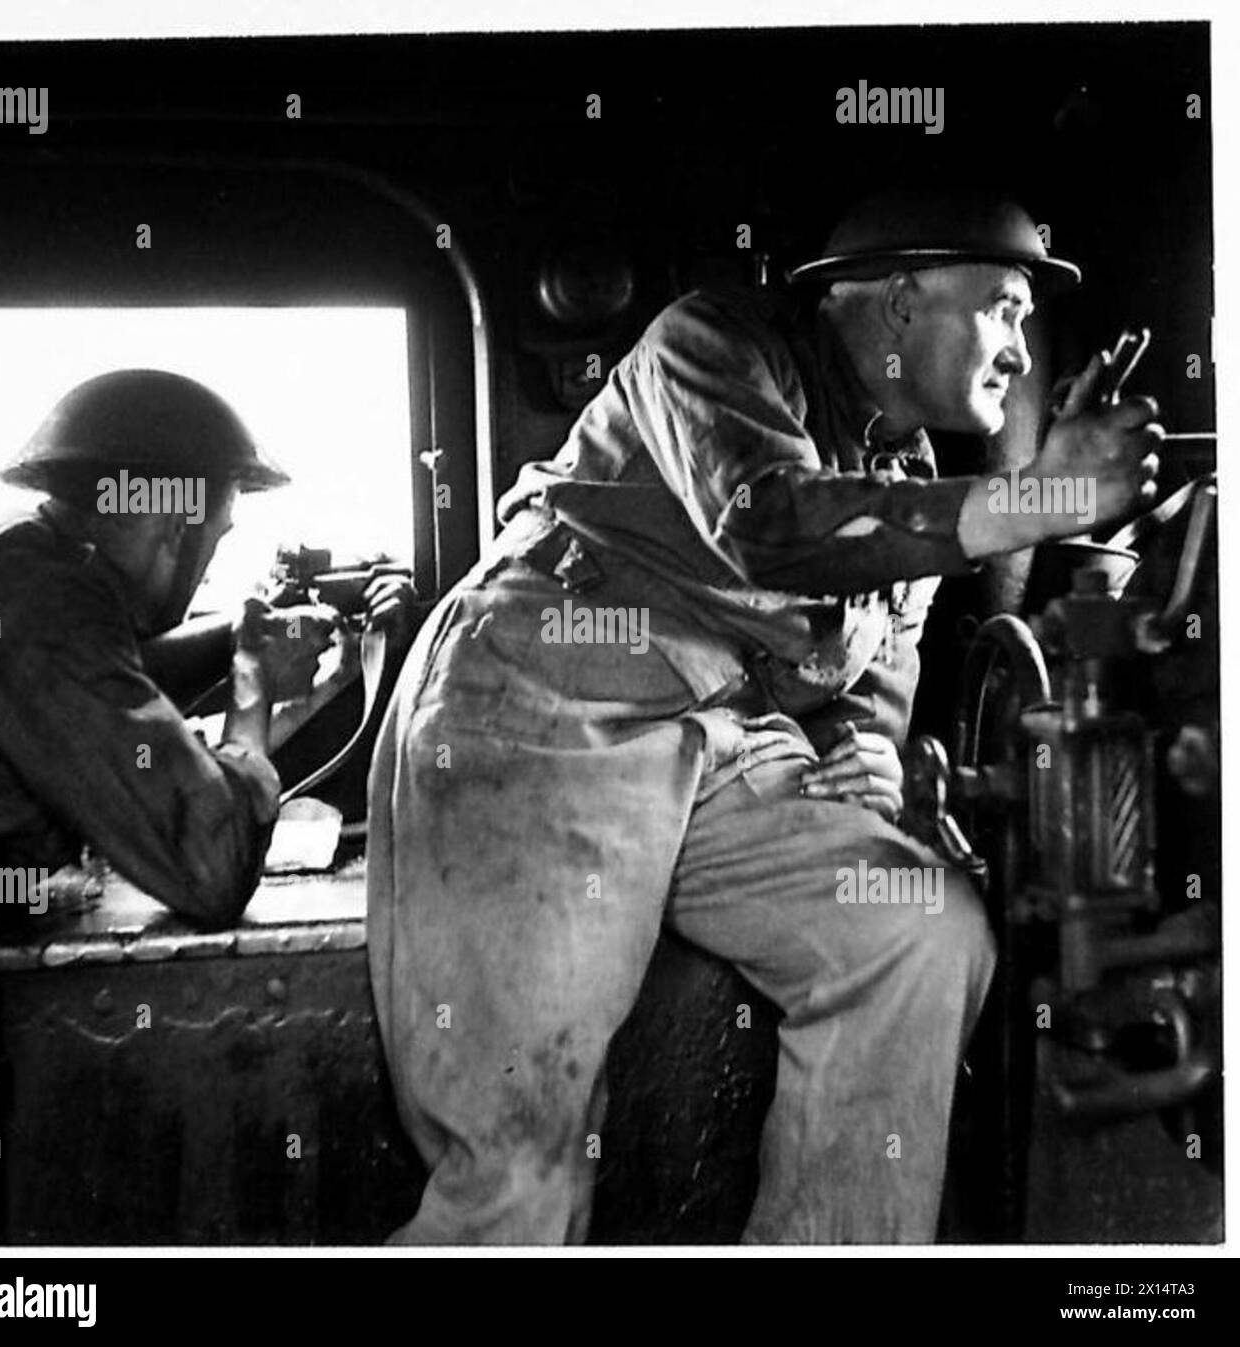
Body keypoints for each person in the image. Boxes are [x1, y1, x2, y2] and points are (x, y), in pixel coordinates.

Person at [365, 189, 1164, 1243]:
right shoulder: (713, 343)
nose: (1019, 351)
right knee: (516, 1156)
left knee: (916, 932)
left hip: (722, 734)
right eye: (1003, 308)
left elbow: (859, 694)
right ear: (900, 300)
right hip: (541, 697)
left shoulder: (912, 477)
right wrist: (1041, 501)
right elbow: (768, 522)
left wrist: (870, 761)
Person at [0, 368, 411, 928]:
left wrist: (313, 674)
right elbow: (211, 871)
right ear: (176, 530)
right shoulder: (42, 601)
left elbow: (134, 733)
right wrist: (252, 684)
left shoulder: (14, 566)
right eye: (218, 535)